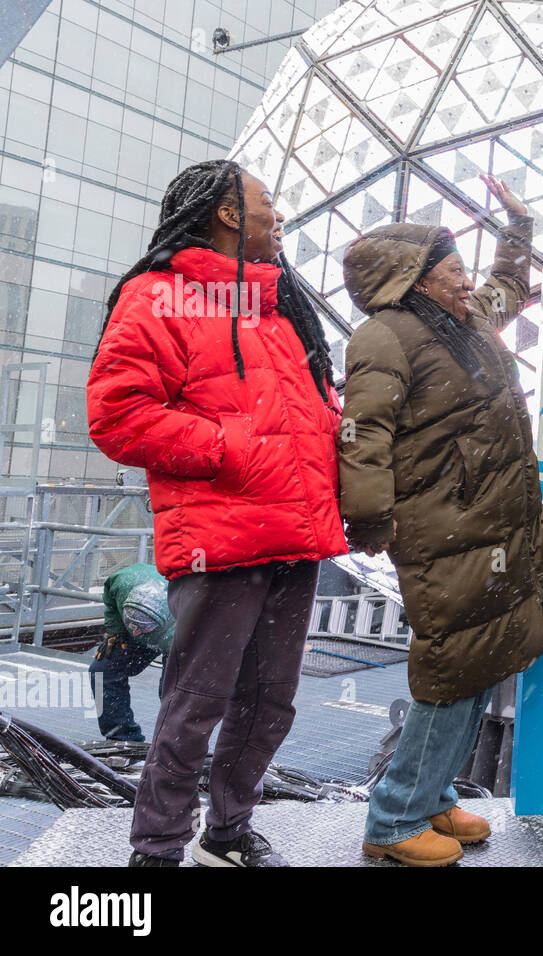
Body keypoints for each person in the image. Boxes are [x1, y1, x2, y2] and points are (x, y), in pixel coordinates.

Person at [86, 160, 348, 867]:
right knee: (195, 705)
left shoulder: (279, 310)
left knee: (271, 703)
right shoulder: (157, 296)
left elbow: (312, 413)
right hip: (220, 541)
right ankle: (157, 851)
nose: (278, 217)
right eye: (269, 205)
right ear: (228, 213)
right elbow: (118, 415)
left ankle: (227, 834)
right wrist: (234, 448)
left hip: (296, 536)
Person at [339, 175, 543, 867]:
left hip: (492, 525)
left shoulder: (467, 319)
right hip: (441, 530)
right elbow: (362, 433)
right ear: (415, 280)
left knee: (484, 662)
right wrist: (369, 521)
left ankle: (432, 795)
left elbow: (508, 284)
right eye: (451, 272)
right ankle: (392, 820)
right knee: (450, 668)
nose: (465, 280)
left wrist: (517, 229)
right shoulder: (384, 338)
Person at [89, 562, 174, 742]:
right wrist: (117, 632)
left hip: (174, 639)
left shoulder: (178, 626)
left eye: (140, 629)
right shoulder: (121, 582)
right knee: (101, 671)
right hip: (144, 624)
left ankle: (172, 745)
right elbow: (111, 602)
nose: (135, 633)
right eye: (133, 626)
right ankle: (121, 737)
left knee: (172, 692)